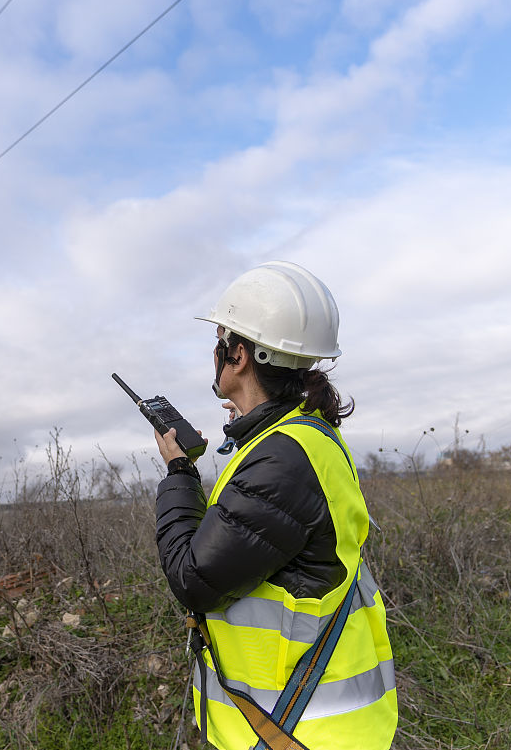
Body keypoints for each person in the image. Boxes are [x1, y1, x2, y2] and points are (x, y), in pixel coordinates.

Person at [153, 261, 397, 750]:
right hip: (304, 720)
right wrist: (251, 421)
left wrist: (179, 471)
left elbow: (193, 581)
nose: (216, 355)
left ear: (238, 355)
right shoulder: (301, 438)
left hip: (302, 730)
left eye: (220, 343)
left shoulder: (282, 458)